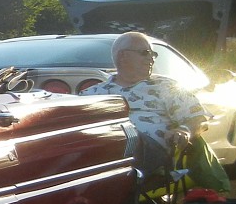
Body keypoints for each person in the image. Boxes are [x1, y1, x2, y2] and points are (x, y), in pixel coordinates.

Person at [83, 31, 208, 173]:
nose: (151, 59)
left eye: (153, 54)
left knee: (129, 137)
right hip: (104, 150)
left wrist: (184, 130)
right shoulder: (92, 94)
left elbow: (199, 118)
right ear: (123, 56)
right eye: (145, 53)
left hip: (149, 154)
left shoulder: (167, 87)